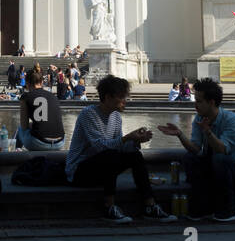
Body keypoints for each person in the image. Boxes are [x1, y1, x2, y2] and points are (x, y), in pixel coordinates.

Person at [65, 75, 176, 224]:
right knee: (110, 155)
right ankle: (108, 207)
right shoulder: (88, 114)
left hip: (102, 168)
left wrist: (136, 141)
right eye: (121, 97)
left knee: (135, 155)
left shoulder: (116, 117)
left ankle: (150, 205)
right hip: (79, 171)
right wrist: (127, 138)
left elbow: (119, 147)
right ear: (108, 97)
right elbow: (100, 147)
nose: (125, 101)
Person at [159, 78, 235, 221]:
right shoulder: (200, 118)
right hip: (214, 165)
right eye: (195, 100)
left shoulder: (231, 120)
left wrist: (208, 132)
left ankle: (229, 211)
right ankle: (203, 208)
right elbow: (196, 149)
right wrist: (180, 134)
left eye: (199, 101)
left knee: (220, 159)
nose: (195, 105)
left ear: (211, 102)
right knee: (190, 158)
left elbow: (223, 149)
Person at [16, 69, 65, 150]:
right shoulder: (53, 96)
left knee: (20, 129)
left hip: (38, 143)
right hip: (60, 142)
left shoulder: (25, 97)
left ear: (27, 83)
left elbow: (24, 125)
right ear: (42, 82)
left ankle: (16, 154)